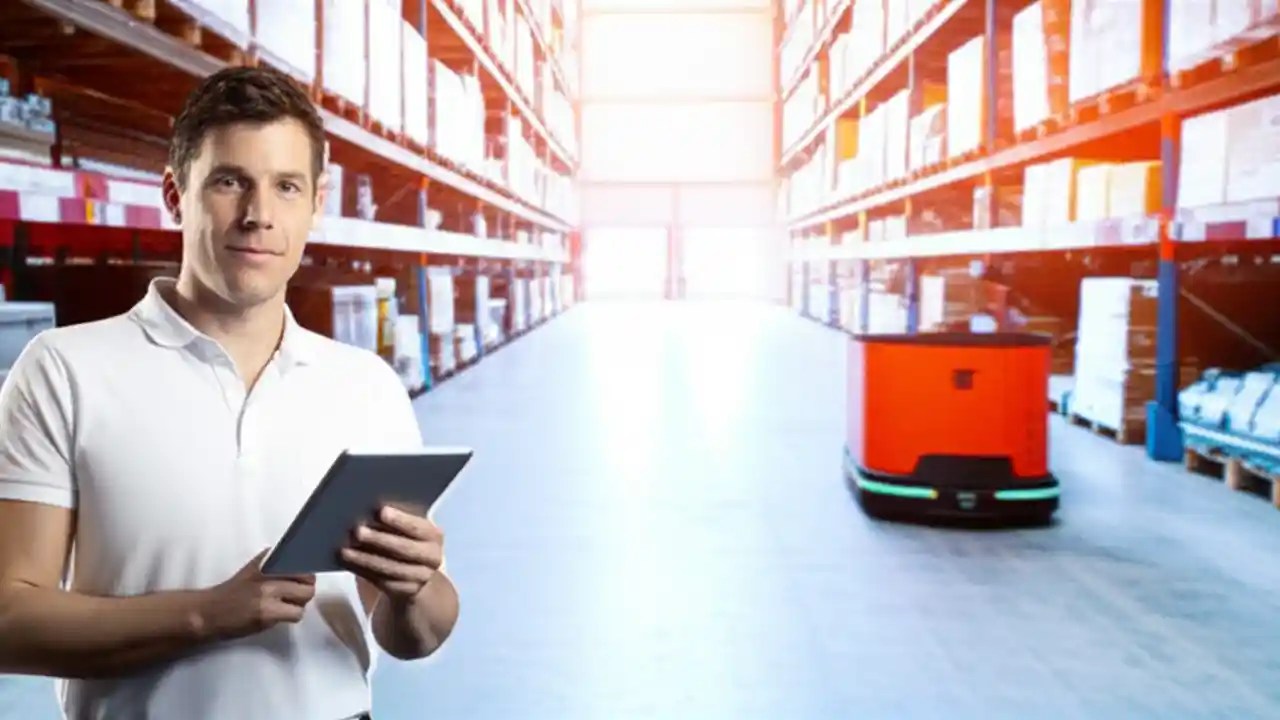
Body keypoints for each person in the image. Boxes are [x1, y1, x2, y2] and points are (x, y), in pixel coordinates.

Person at [0, 66, 459, 719]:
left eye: (286, 186)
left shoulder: (366, 387)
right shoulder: (65, 371)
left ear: (315, 203)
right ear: (175, 194)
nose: (258, 215)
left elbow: (416, 634)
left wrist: (415, 589)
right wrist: (205, 615)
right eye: (229, 181)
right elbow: (9, 619)